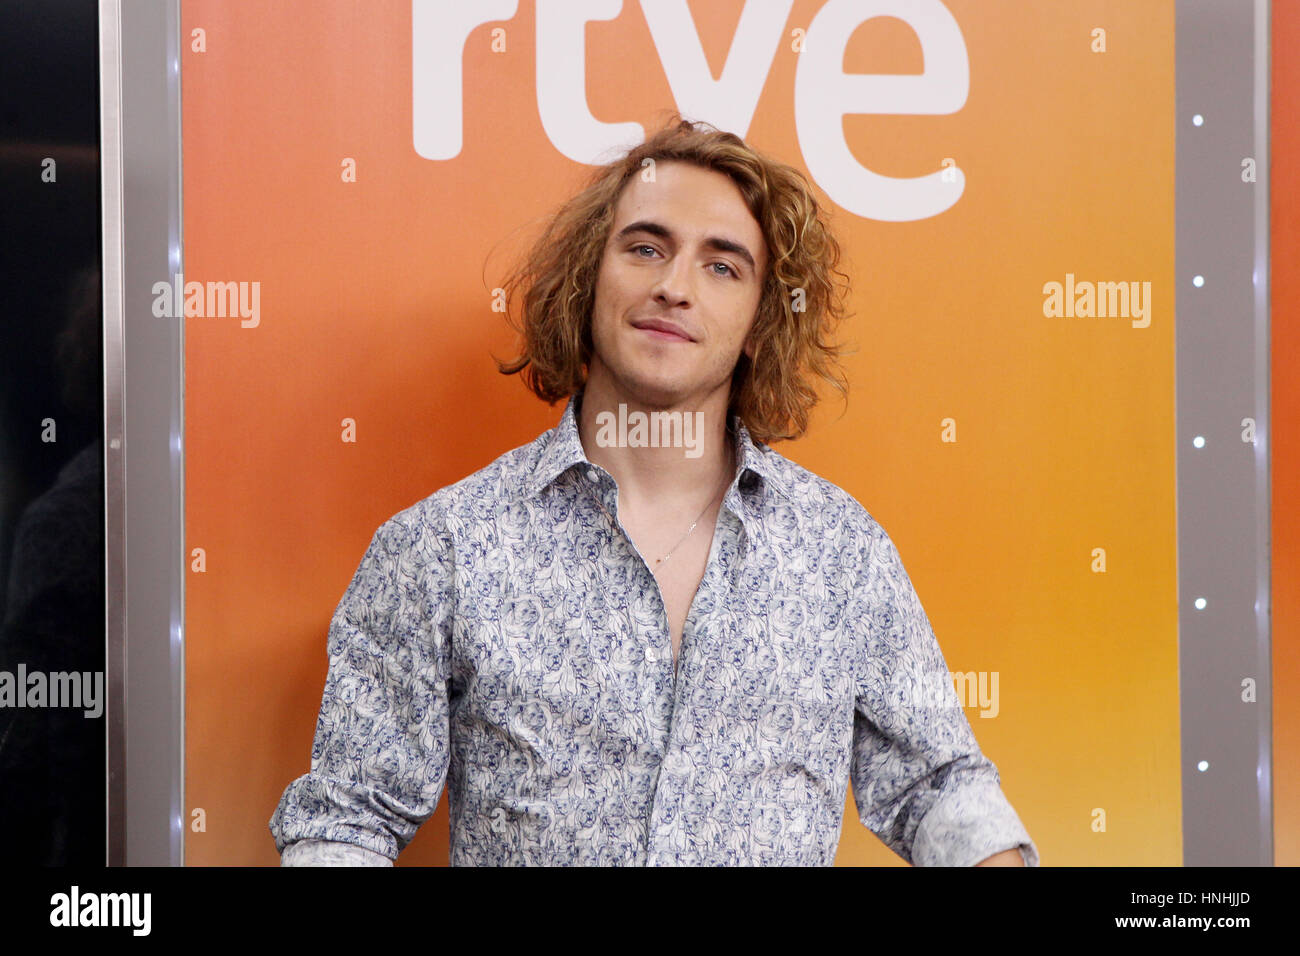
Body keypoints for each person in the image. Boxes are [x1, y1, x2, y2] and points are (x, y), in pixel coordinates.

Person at [269, 115, 1038, 867]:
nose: (674, 287)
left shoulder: (843, 555)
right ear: (587, 277)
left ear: (759, 319)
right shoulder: (441, 549)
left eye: (722, 265)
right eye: (645, 248)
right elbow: (347, 822)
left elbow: (938, 787)